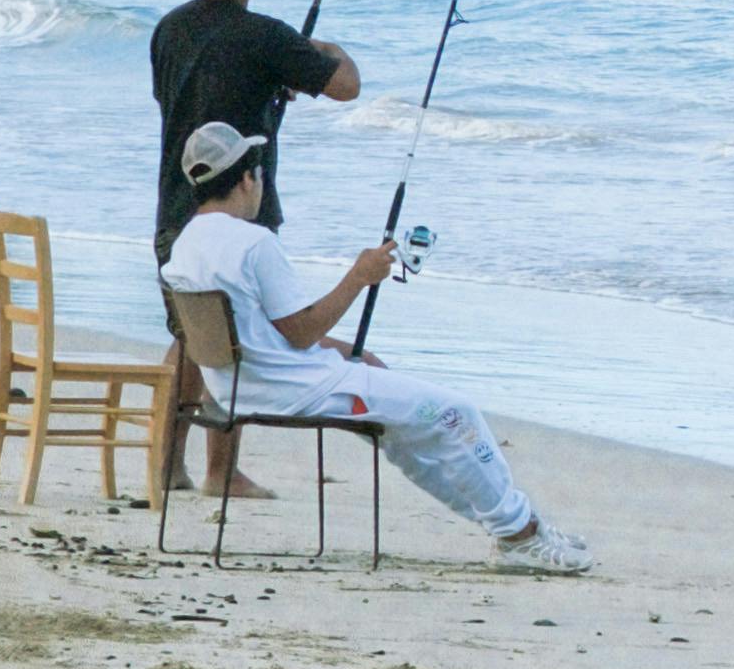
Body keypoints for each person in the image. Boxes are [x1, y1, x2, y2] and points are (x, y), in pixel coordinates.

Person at [158, 122, 590, 571]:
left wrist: (345, 351)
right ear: (248, 179)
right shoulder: (255, 243)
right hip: (296, 390)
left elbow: (251, 333)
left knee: (405, 434)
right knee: (456, 413)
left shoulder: (186, 244)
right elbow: (300, 333)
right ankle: (518, 533)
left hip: (238, 388)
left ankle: (517, 527)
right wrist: (359, 277)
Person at [151, 0, 358, 495]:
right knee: (233, 343)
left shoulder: (170, 28)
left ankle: (168, 464)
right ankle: (221, 472)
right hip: (241, 209)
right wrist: (322, 47)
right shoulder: (267, 36)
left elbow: (199, 92)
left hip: (176, 207)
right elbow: (346, 86)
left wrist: (270, 76)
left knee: (191, 333)